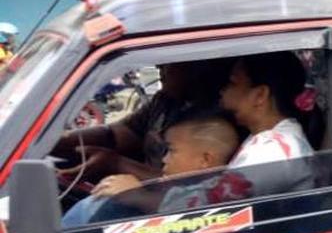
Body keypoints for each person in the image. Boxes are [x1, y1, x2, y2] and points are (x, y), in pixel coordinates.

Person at [54, 59, 230, 182]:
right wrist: (56, 141)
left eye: (170, 60)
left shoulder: (216, 119)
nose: (159, 66)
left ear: (196, 64)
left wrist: (116, 163)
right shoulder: (164, 100)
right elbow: (119, 135)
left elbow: (188, 188)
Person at [62, 109, 241, 227]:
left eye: (172, 151)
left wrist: (134, 194)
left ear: (205, 160)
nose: (164, 159)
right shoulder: (182, 191)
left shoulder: (210, 200)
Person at [217, 52, 316, 197]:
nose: (222, 91)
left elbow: (218, 208)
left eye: (232, 84)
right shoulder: (275, 137)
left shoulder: (271, 150)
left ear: (260, 95)